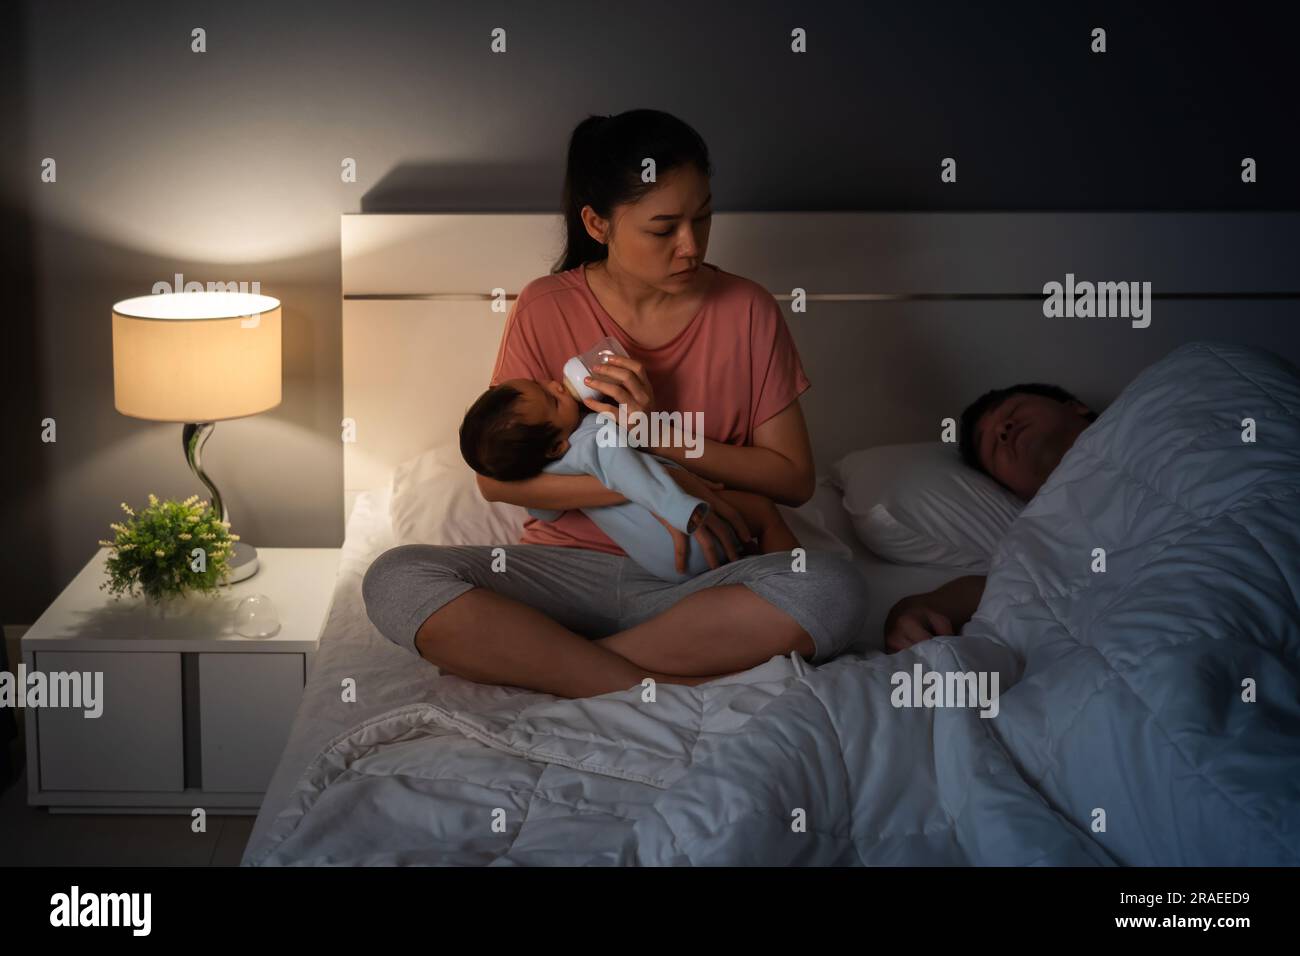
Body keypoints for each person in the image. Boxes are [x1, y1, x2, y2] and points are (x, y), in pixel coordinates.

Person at [362, 109, 868, 698]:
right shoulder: (545, 306)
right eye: (663, 228)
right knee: (395, 579)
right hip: (563, 578)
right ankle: (643, 677)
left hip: (705, 582)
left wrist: (655, 436)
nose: (690, 246)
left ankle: (563, 666)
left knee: (833, 590)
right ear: (597, 224)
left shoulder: (747, 310)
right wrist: (636, 483)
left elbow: (793, 479)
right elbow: (498, 484)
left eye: (703, 219)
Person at [458, 376, 799, 582]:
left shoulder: (549, 467)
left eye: (542, 384)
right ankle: (795, 585)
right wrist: (682, 509)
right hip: (687, 530)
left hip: (659, 561)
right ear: (556, 444)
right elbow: (635, 477)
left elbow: (547, 511)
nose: (554, 384)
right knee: (765, 514)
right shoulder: (596, 437)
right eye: (552, 398)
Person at [884, 384, 1097, 653]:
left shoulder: (1152, 412)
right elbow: (1013, 584)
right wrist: (908, 612)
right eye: (993, 447)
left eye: (1013, 410)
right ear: (1012, 489)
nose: (1003, 429)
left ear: (1075, 405)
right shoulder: (1042, 533)